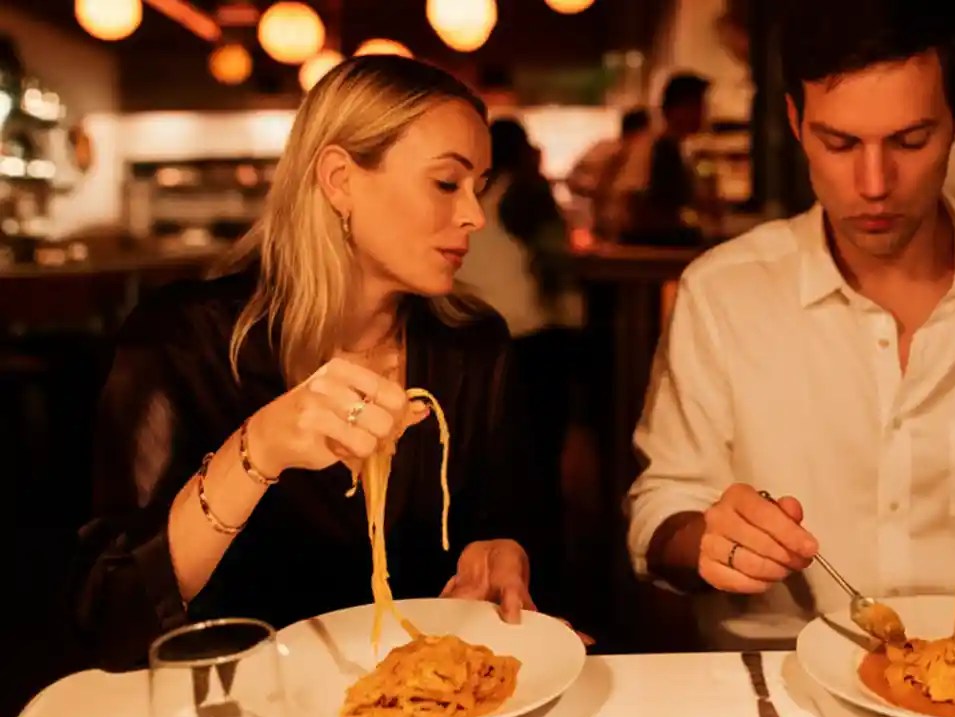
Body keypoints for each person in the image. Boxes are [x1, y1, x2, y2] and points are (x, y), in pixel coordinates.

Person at [626, 0, 955, 649]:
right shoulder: (724, 292)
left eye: (911, 141)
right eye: (840, 142)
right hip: (778, 680)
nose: (874, 182)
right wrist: (708, 539)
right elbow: (659, 515)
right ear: (796, 119)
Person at [72, 56, 552, 670]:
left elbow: (508, 517)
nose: (474, 217)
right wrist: (260, 448)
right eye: (445, 184)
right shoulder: (181, 340)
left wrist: (501, 551)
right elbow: (109, 612)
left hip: (421, 699)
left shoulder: (473, 345)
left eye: (478, 188)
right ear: (339, 178)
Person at [453, 117, 592, 614]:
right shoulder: (526, 194)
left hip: (483, 335)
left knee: (507, 467)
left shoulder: (471, 198)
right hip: (531, 337)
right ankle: (549, 576)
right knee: (539, 464)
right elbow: (555, 260)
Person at [604, 72, 716, 245]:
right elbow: (637, 200)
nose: (704, 115)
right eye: (699, 107)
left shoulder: (669, 145)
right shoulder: (659, 146)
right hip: (646, 244)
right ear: (679, 109)